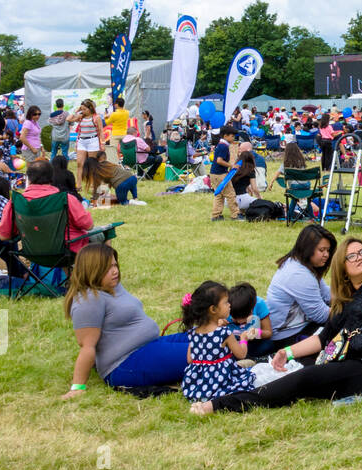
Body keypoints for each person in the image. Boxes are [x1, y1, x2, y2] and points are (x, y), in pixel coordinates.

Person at [191, 185, 362, 414]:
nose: (360, 257)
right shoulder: (343, 303)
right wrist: (287, 353)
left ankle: (220, 405)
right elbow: (322, 339)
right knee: (300, 368)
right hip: (353, 363)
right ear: (343, 268)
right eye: (352, 255)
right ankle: (241, 382)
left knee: (304, 378)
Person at [63, 243, 189, 394]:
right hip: (126, 363)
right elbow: (86, 346)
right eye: (108, 268)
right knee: (205, 350)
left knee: (210, 337)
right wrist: (78, 387)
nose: (115, 271)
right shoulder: (88, 300)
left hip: (151, 346)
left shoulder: (112, 286)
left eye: (115, 265)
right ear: (93, 270)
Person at [180, 280, 257, 403]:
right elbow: (241, 354)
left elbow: (190, 359)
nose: (229, 305)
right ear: (213, 309)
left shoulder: (194, 332)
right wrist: (243, 339)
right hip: (220, 380)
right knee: (246, 378)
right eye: (226, 302)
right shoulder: (224, 333)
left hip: (197, 385)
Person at [264, 224, 337, 351]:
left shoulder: (299, 263)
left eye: (328, 250)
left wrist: (351, 297)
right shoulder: (299, 274)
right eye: (322, 250)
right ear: (308, 248)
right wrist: (350, 309)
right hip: (285, 337)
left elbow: (326, 295)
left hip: (296, 327)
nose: (326, 255)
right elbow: (321, 315)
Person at [228, 281, 274, 358]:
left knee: (268, 345)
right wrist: (219, 324)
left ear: (252, 309)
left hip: (253, 343)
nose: (240, 322)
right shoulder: (227, 306)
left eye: (245, 320)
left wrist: (257, 333)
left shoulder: (259, 304)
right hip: (233, 343)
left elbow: (268, 333)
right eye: (235, 319)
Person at [79, 154, 143, 207]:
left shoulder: (96, 172)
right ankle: (135, 198)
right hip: (132, 177)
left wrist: (95, 201)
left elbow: (97, 188)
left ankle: (134, 202)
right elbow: (109, 182)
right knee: (131, 185)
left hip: (121, 184)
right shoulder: (105, 163)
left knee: (123, 202)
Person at [208, 126, 241, 221]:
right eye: (232, 136)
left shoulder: (220, 144)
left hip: (214, 174)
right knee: (230, 194)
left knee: (219, 195)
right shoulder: (223, 146)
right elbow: (219, 160)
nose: (233, 138)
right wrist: (231, 165)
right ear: (225, 135)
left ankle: (216, 215)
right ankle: (235, 214)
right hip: (220, 174)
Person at [69, 99, 104, 170]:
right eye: (82, 109)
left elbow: (100, 130)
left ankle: (93, 179)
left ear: (90, 108)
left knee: (92, 164)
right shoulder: (81, 116)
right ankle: (80, 180)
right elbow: (69, 119)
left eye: (84, 109)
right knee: (80, 164)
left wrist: (102, 143)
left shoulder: (96, 117)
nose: (83, 111)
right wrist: (76, 110)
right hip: (82, 141)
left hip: (93, 140)